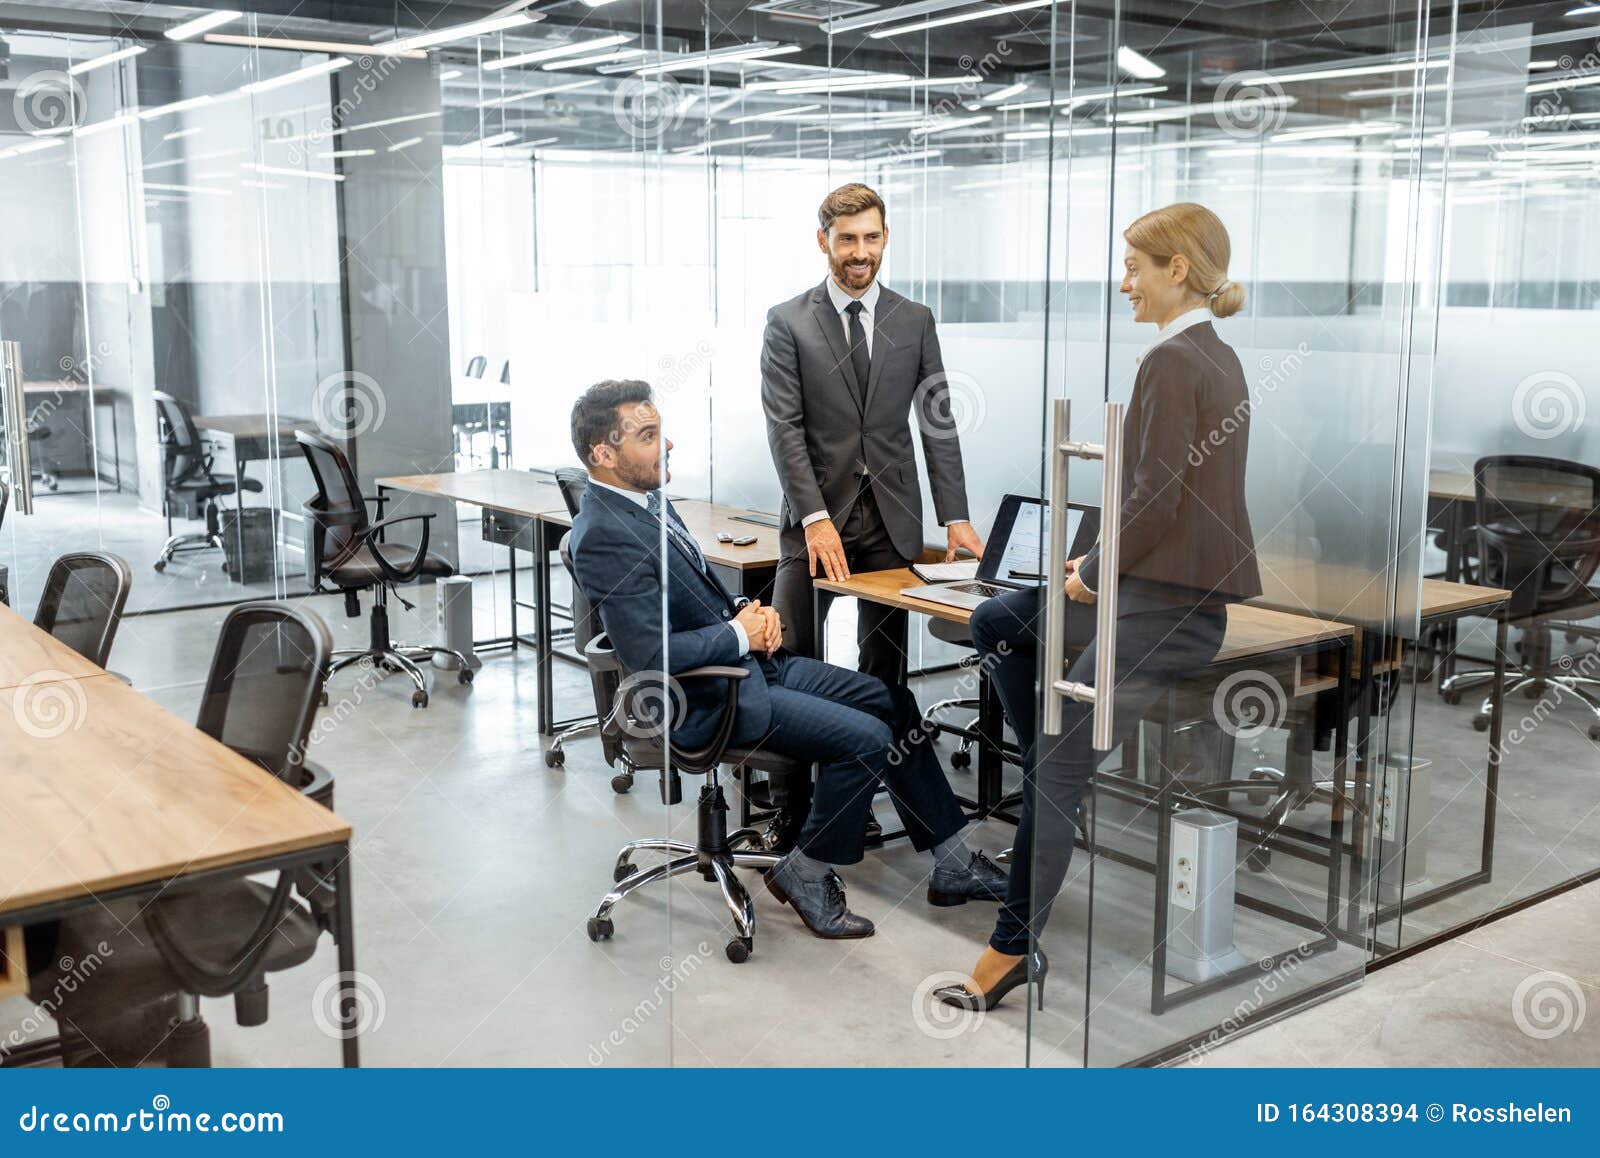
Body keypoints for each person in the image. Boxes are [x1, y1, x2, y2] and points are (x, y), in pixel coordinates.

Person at [935, 203, 1263, 1011]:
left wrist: (1095, 570)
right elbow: (1167, 499)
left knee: (1054, 776)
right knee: (996, 621)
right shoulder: (1213, 355)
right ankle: (1053, 756)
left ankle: (1013, 948)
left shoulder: (1174, 360)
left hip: (1167, 611)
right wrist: (1094, 563)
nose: (1124, 284)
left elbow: (1158, 495)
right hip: (1158, 592)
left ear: (1176, 270)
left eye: (1133, 268)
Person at [566, 380, 1006, 940]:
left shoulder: (647, 500)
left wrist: (747, 613)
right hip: (706, 696)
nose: (668, 445)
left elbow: (691, 599)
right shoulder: (603, 533)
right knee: (867, 739)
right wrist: (739, 634)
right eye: (649, 436)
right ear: (604, 455)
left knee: (893, 702)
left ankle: (954, 864)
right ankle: (806, 872)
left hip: (749, 667)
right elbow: (651, 653)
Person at [761, 182, 984, 685]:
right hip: (817, 516)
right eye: (847, 239)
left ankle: (882, 737)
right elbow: (784, 428)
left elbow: (938, 423)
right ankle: (804, 738)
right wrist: (814, 518)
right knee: (790, 656)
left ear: (885, 237)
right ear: (823, 240)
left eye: (871, 238)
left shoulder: (915, 320)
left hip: (892, 517)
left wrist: (956, 516)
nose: (861, 253)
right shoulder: (788, 322)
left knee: (885, 666)